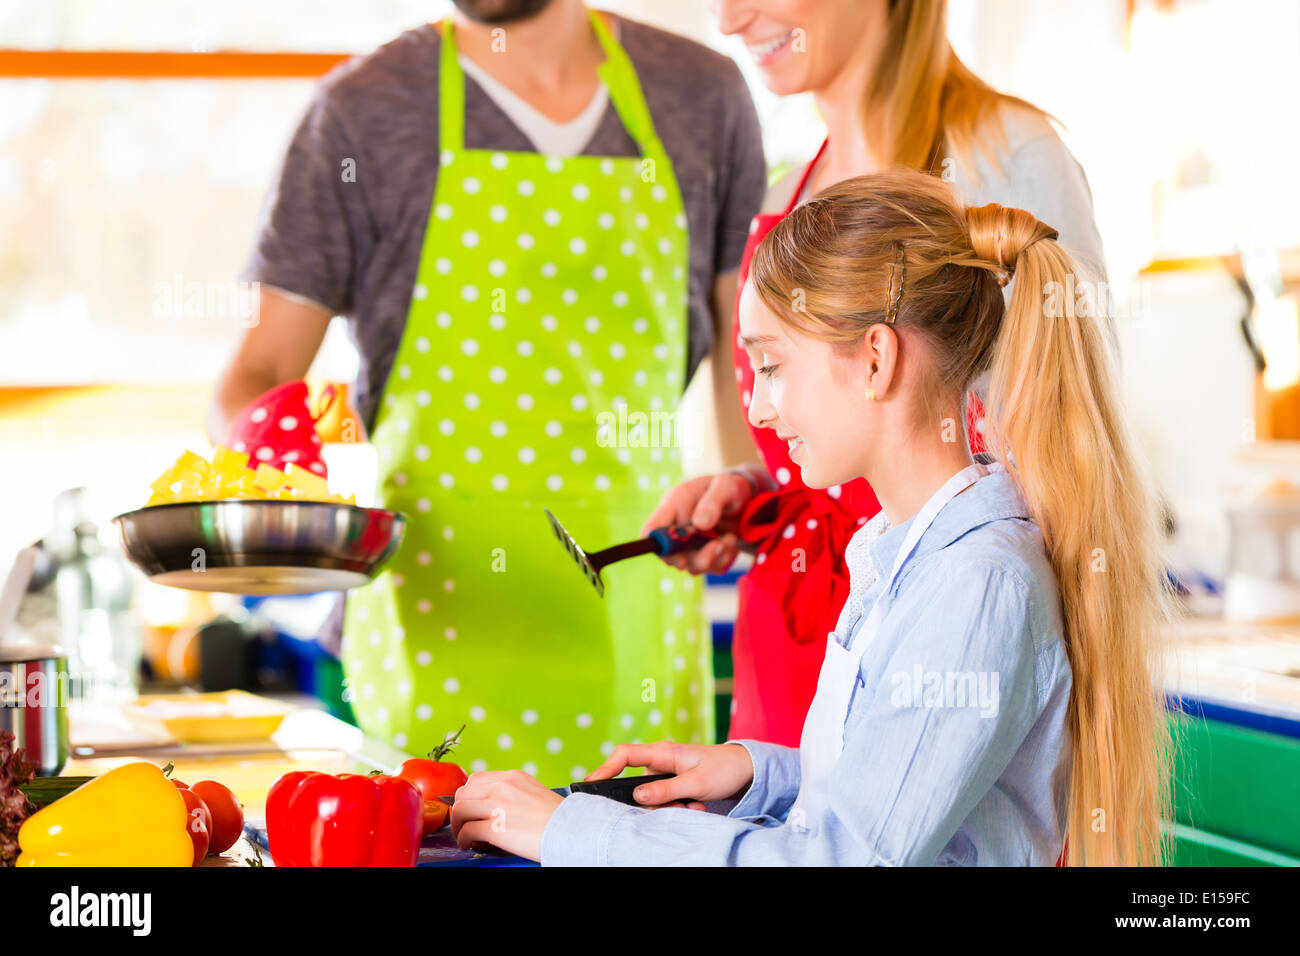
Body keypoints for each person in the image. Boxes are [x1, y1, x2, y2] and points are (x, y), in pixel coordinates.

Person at [448, 171, 1174, 867]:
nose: (759, 409)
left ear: (874, 360)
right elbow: (904, 795)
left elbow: (844, 860)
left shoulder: (977, 586)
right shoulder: (898, 553)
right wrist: (757, 774)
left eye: (771, 366)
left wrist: (571, 831)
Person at [207, 0, 768, 780]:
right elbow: (259, 373)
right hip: (429, 648)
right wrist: (274, 485)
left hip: (639, 624)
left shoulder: (702, 95)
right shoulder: (361, 113)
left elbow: (753, 362)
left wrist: (754, 498)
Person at [643, 0, 1112, 750]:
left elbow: (1069, 441)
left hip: (937, 648)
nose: (731, 20)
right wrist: (762, 490)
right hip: (794, 647)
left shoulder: (1008, 159)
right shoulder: (785, 195)